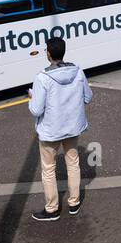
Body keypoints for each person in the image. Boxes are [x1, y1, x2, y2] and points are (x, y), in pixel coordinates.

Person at [28, 36, 92, 221]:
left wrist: (31, 97)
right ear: (63, 52)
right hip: (72, 127)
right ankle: (74, 203)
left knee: (48, 169)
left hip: (50, 131)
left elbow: (36, 109)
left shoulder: (42, 78)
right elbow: (88, 97)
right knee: (73, 164)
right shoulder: (78, 72)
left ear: (48, 54)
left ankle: (52, 209)